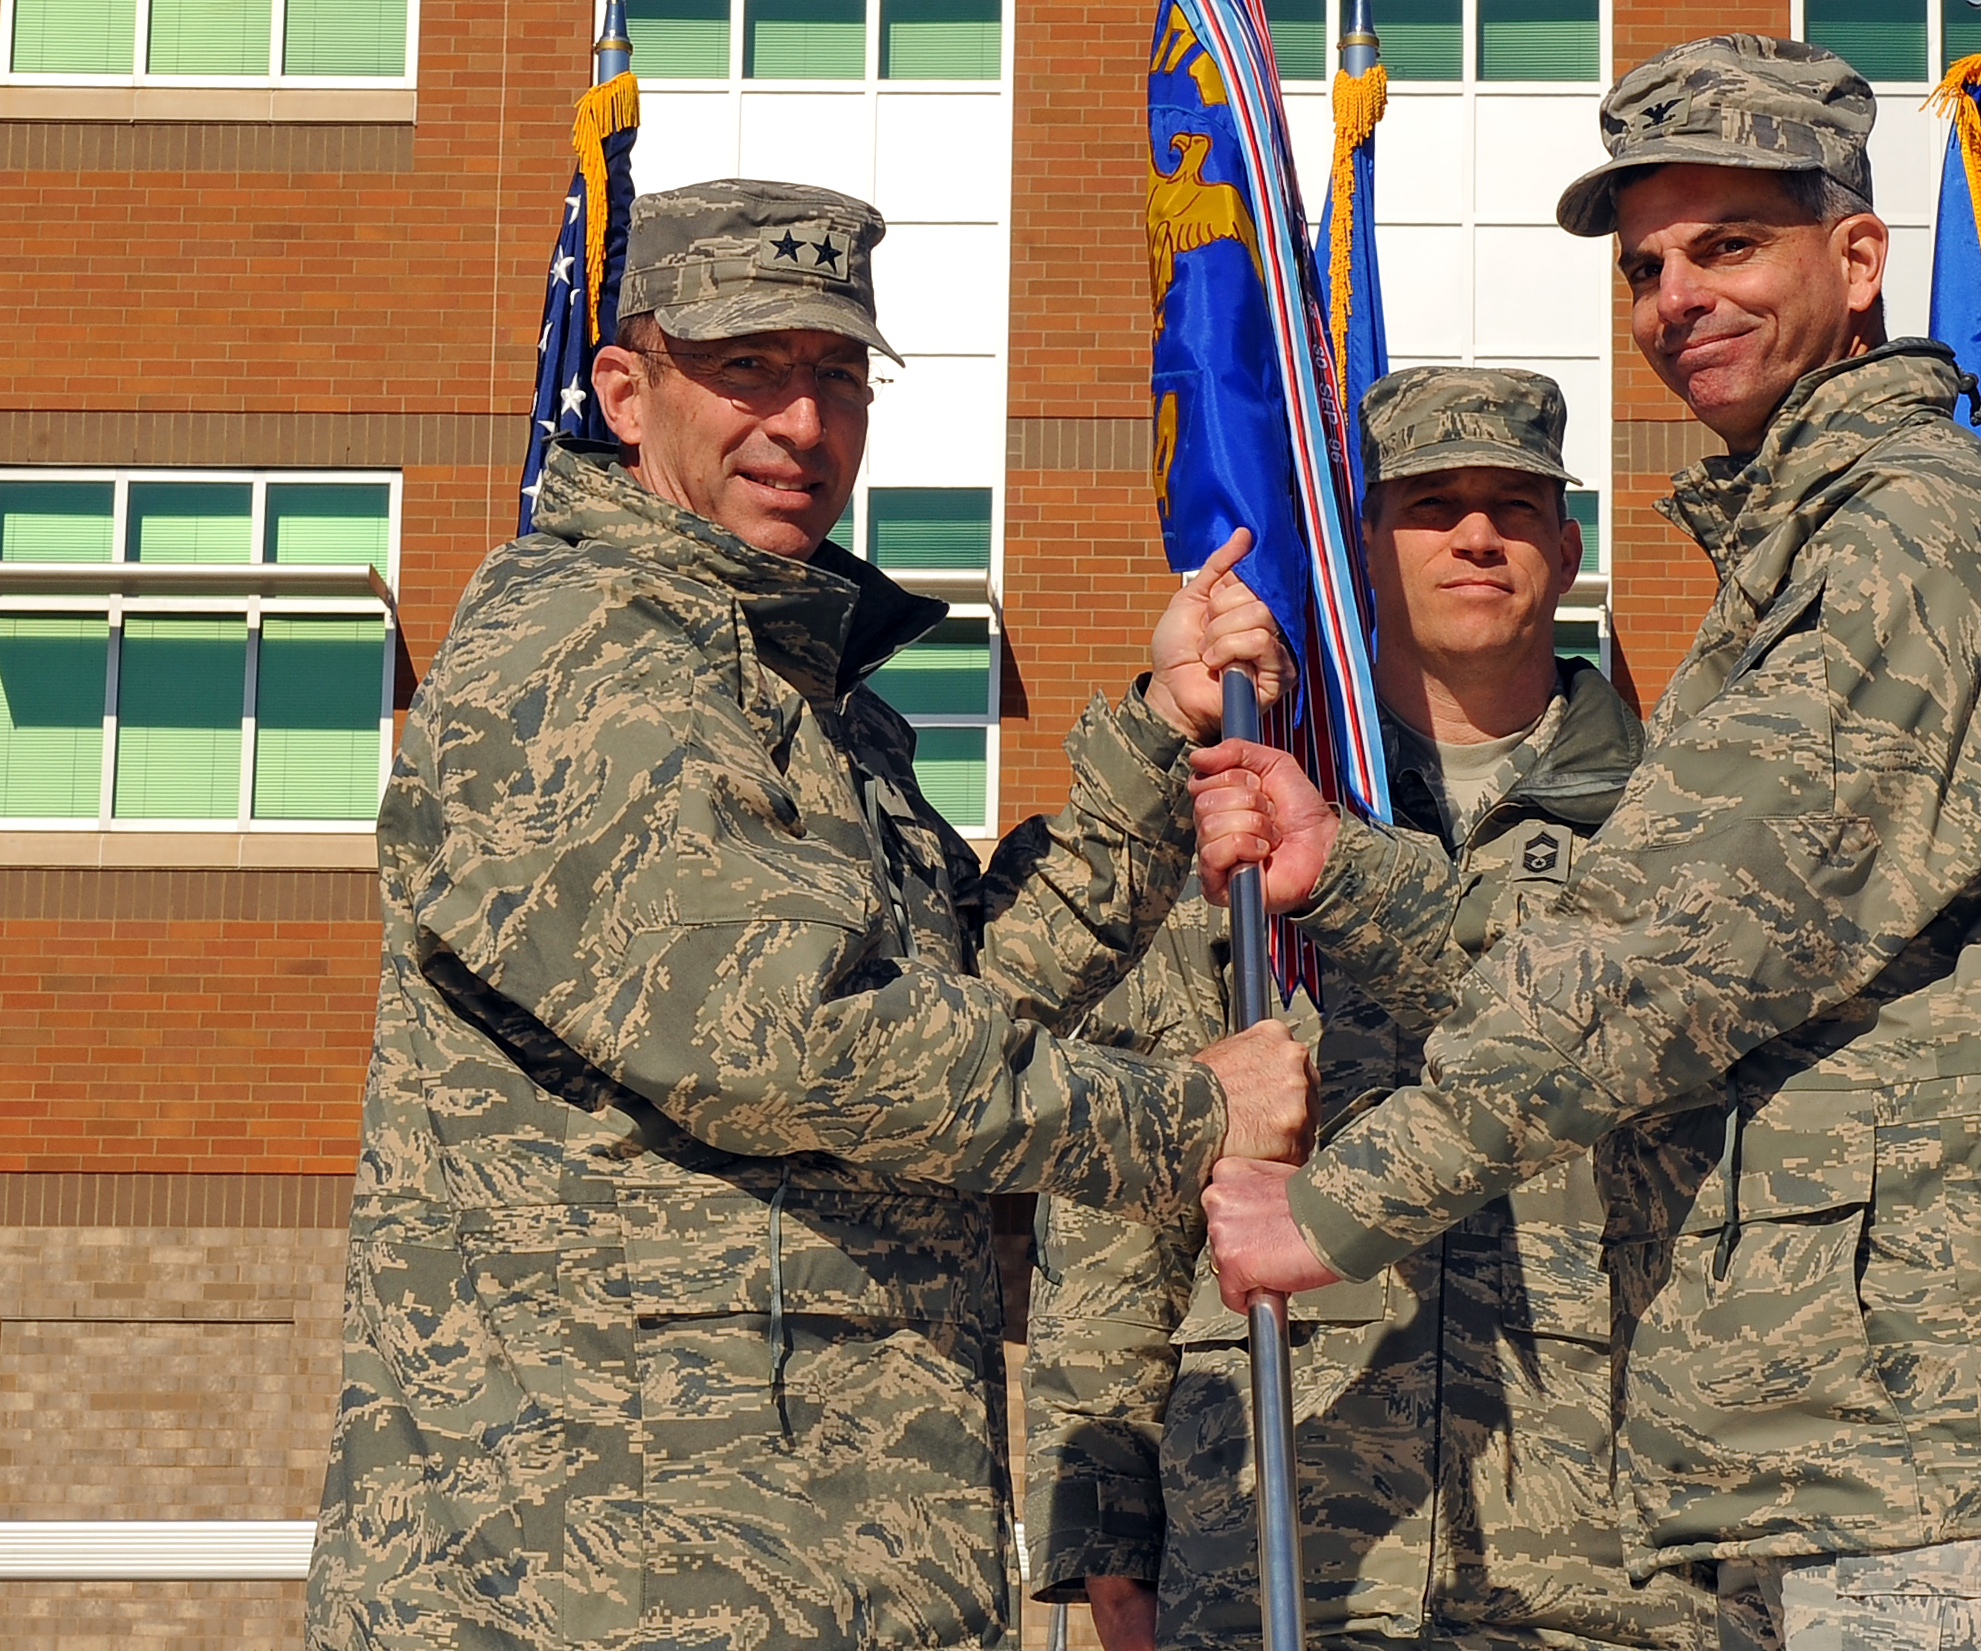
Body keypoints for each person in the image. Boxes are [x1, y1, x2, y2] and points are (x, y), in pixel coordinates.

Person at [1191, 38, 1981, 1651]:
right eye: (1645, 264)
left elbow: (1677, 952)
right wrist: (1355, 871)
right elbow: (1654, 918)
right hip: (1825, 1462)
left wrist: (1335, 1207)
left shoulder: (1913, 540)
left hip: (1939, 1469)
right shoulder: (1802, 557)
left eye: (1729, 243)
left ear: (1857, 258)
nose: (1677, 296)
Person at [306, 179, 1315, 1651]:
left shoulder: (792, 686)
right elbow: (791, 1040)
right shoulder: (582, 651)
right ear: (627, 393)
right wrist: (1182, 1118)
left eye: (837, 375)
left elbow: (966, 994)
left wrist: (1161, 740)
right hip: (608, 1574)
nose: (800, 422)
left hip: (814, 1560)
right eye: (749, 370)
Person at [1024, 367, 1707, 1651]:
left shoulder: (1677, 820)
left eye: (1514, 506)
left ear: (1566, 551)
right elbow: (1117, 1205)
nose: (1475, 536)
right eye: (1430, 506)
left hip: (1595, 1555)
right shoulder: (1241, 818)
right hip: (1277, 1528)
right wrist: (1105, 1541)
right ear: (1359, 548)